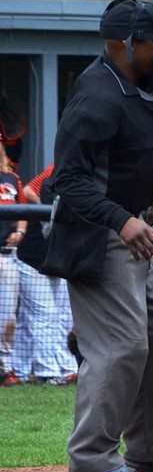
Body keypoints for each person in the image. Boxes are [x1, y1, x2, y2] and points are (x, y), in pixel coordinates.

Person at [46, 0, 153, 472]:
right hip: (97, 230)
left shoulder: (147, 86)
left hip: (132, 225)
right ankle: (91, 462)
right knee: (121, 347)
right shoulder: (97, 94)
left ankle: (150, 446)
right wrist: (122, 220)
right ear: (126, 44)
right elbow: (68, 180)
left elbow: (140, 153)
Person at [7, 163, 78, 386]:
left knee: (53, 315)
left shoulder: (91, 175)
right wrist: (45, 214)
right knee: (44, 314)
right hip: (33, 257)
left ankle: (25, 368)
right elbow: (28, 190)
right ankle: (49, 370)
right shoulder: (58, 168)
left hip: (59, 257)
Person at [0, 144, 26, 383]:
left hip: (6, 254)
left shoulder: (12, 178)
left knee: (8, 316)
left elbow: (23, 212)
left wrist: (20, 231)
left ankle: (5, 368)